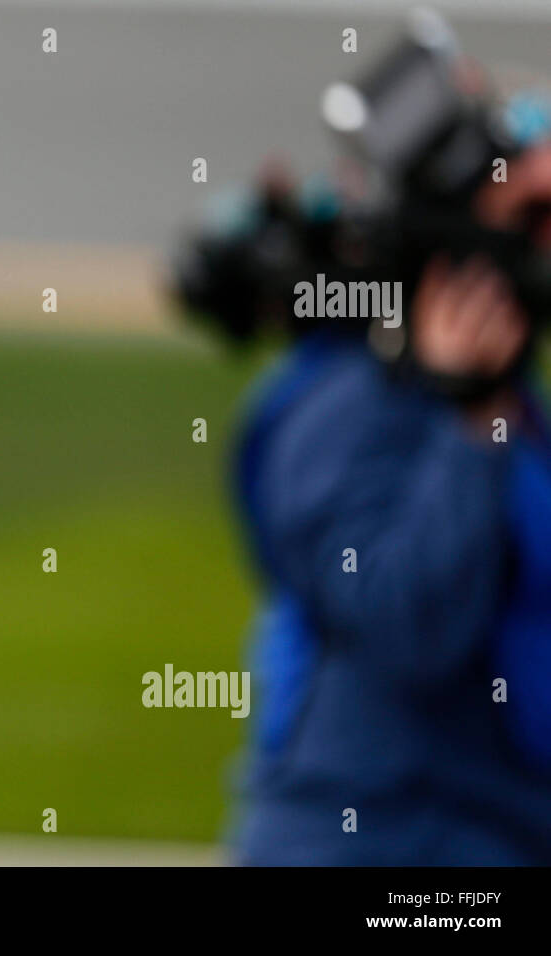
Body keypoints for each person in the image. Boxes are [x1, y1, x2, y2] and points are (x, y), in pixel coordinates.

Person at [228, 143, 551, 865]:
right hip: (385, 841)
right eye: (533, 217)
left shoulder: (518, 410)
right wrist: (471, 427)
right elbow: (401, 621)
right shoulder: (346, 402)